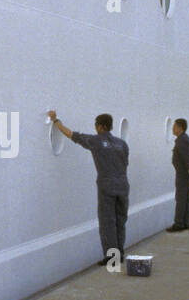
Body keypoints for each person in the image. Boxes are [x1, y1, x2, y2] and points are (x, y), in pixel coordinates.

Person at [47, 111, 129, 266]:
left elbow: (72, 135)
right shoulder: (122, 144)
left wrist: (56, 121)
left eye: (96, 125)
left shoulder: (96, 141)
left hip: (107, 186)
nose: (95, 128)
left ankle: (112, 258)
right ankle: (119, 254)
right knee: (120, 220)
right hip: (123, 186)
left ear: (101, 126)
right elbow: (125, 164)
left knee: (107, 222)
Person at [167, 117, 189, 232]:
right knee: (186, 198)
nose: (173, 129)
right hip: (187, 173)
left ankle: (179, 223)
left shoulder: (181, 141)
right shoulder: (188, 139)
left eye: (174, 127)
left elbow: (185, 158)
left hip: (183, 174)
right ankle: (185, 222)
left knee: (181, 198)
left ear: (180, 128)